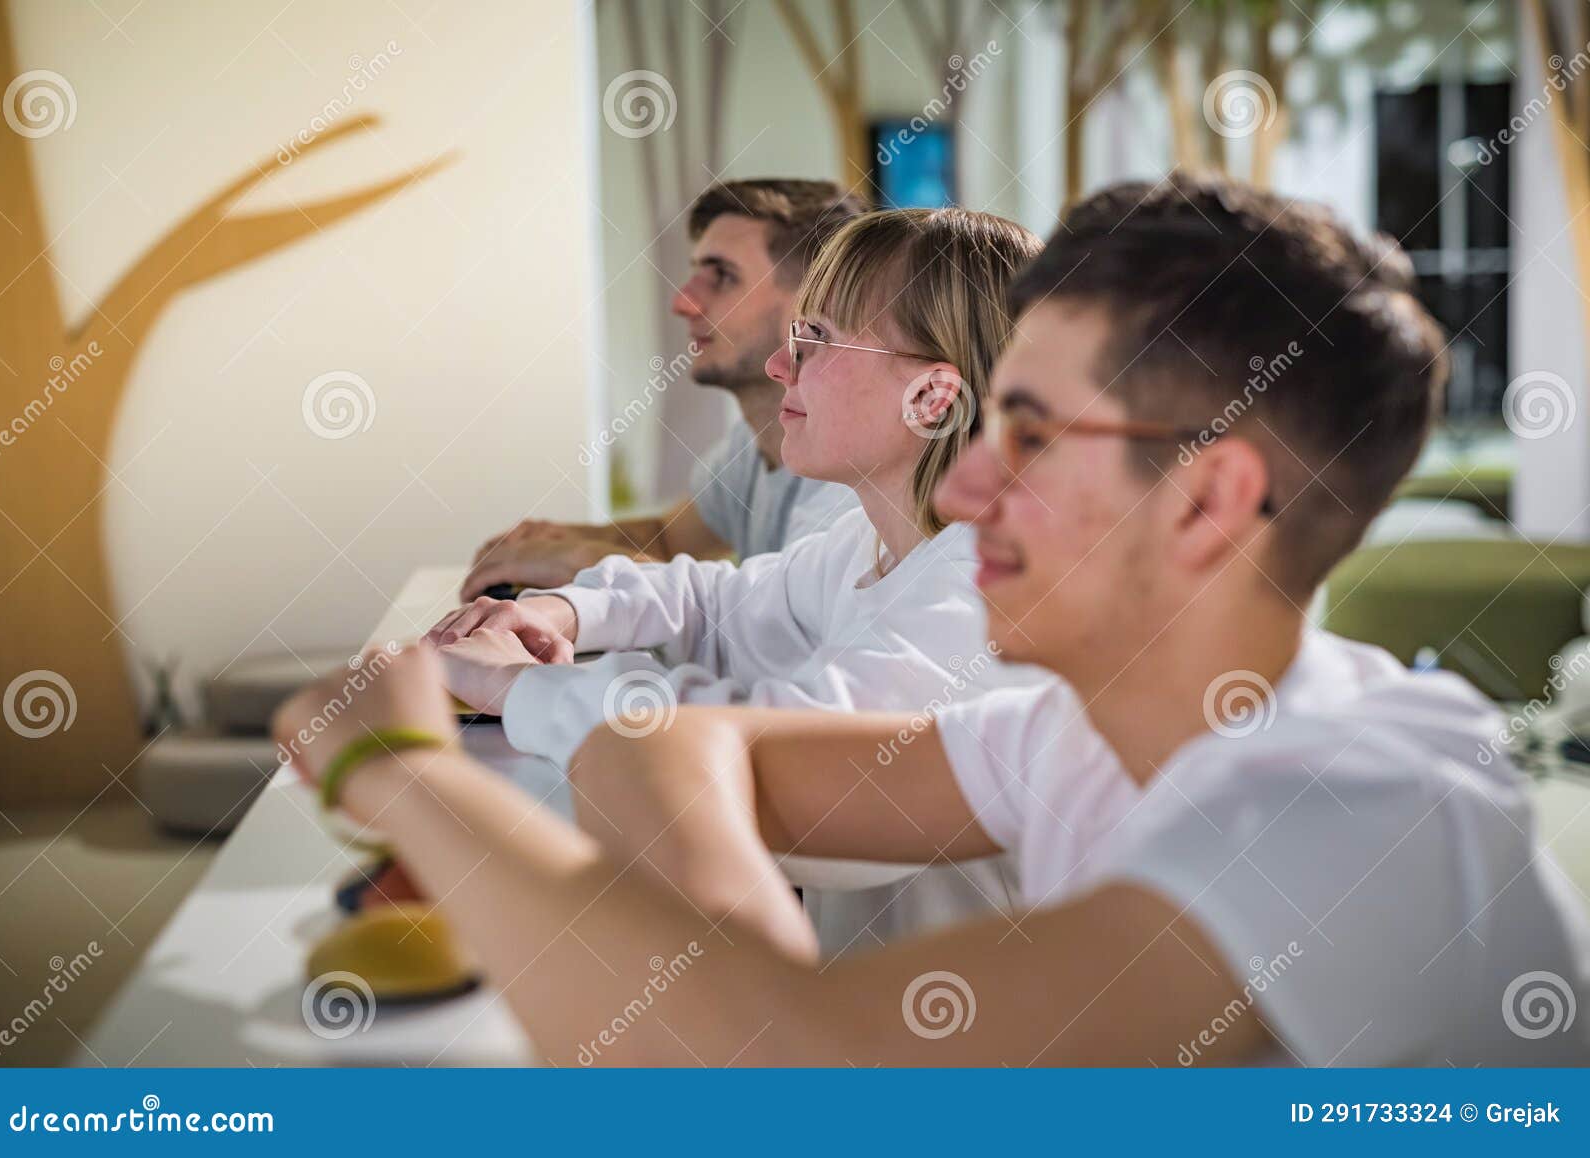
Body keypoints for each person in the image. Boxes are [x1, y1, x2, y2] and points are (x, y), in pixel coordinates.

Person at [277, 173, 1589, 1065]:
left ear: (1208, 502)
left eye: (1027, 433)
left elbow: (798, 1095)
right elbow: (666, 751)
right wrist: (763, 1013)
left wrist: (396, 775)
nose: (968, 482)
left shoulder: (1359, 809)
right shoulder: (1067, 737)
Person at [427, 208, 1067, 957]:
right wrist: (564, 611)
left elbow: (772, 766)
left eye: (817, 341)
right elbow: (715, 600)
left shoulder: (977, 593)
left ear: (931, 398)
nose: (779, 367)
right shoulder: (868, 544)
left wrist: (521, 691)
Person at [460, 179, 864, 601]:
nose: (683, 302)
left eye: (722, 276)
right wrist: (549, 542)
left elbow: (768, 616)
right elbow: (667, 539)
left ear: (813, 303)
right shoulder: (753, 444)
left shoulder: (851, 471)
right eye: (697, 274)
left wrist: (581, 558)